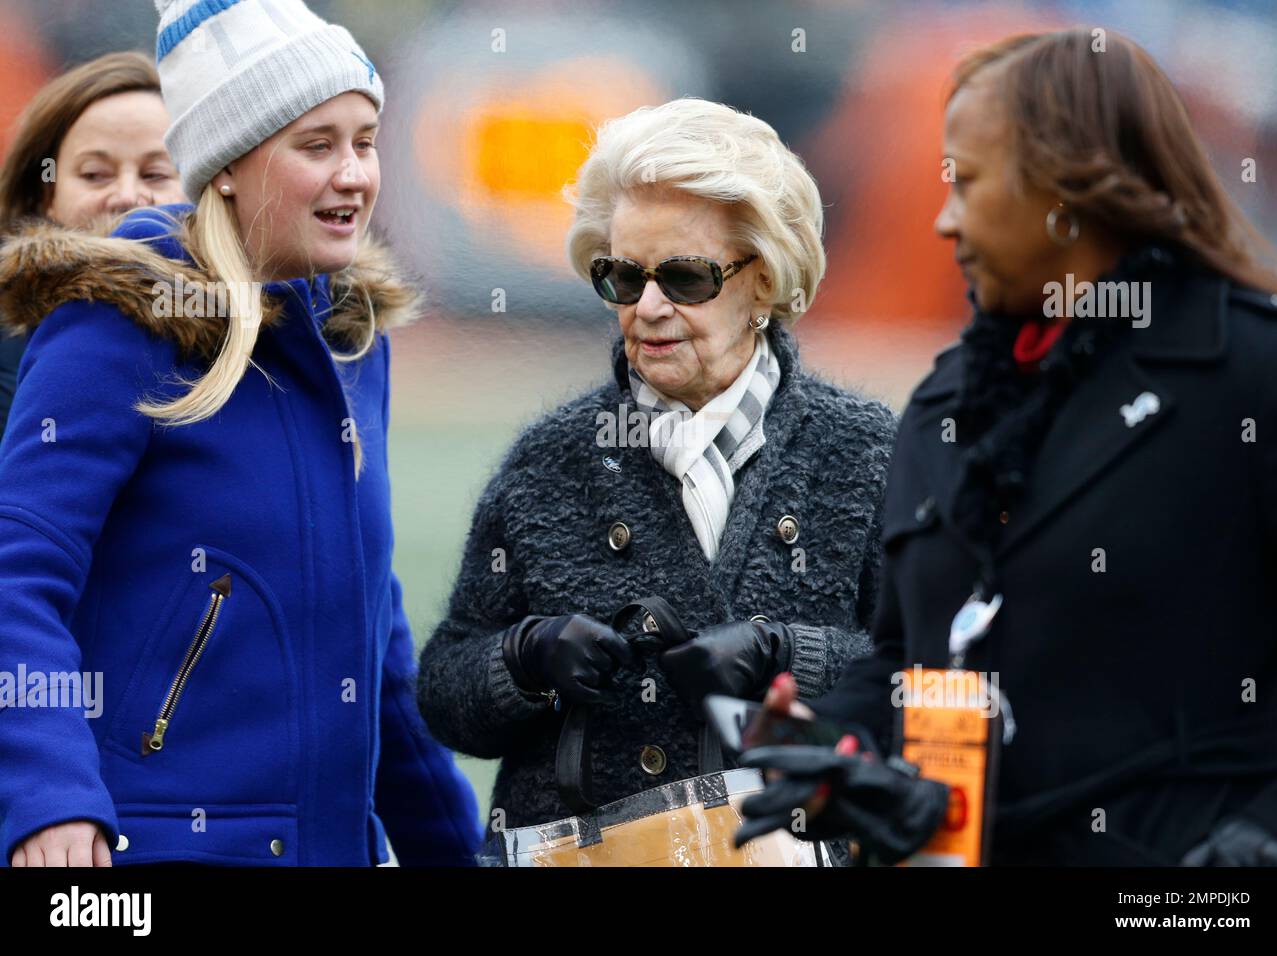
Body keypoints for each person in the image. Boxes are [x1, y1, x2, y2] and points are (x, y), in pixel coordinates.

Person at [738, 28, 1277, 867]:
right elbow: (909, 659)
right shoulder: (945, 400)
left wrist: (1269, 838)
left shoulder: (1262, 373)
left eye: (964, 182)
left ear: (1066, 187)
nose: (942, 218)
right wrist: (833, 745)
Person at [0, 0, 478, 867]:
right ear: (226, 166)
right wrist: (46, 800)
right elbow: (15, 576)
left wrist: (457, 850)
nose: (354, 175)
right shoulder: (114, 325)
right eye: (316, 145)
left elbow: (378, 647)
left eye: (364, 141)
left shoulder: (352, 344)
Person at [417, 97, 897, 855]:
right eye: (621, 276)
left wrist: (785, 657)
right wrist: (526, 657)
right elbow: (446, 690)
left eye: (684, 277)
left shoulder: (864, 452)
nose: (647, 307)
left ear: (765, 281)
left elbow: (936, 685)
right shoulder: (552, 457)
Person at [0, 51, 187, 441]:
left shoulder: (265, 322)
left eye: (155, 173)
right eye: (95, 174)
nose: (126, 195)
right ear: (45, 196)